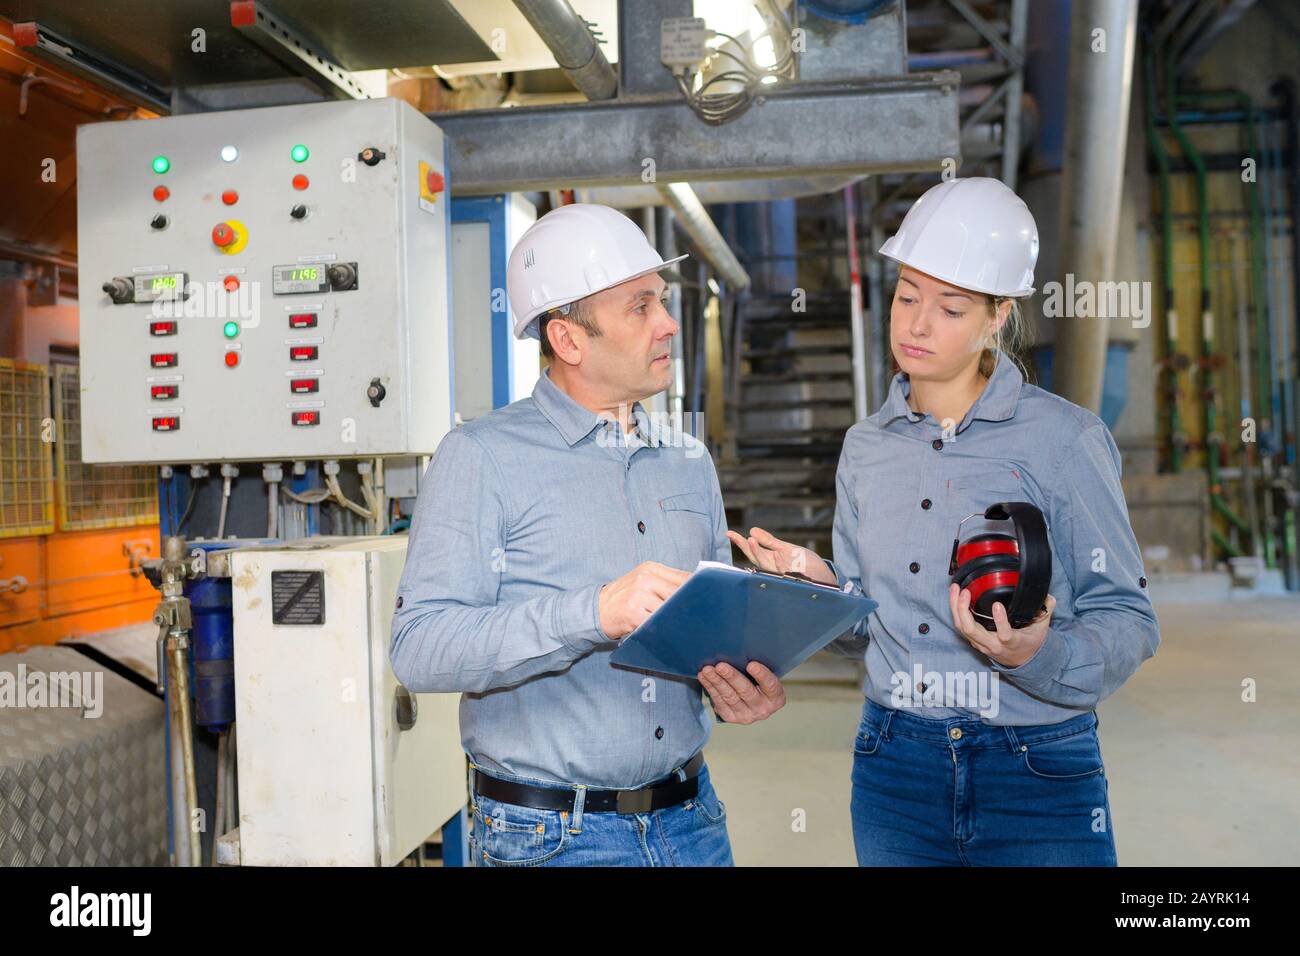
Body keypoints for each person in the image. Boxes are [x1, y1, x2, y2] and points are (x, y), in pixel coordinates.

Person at [731, 177, 1160, 866]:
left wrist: (1036, 654)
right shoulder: (867, 448)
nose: (916, 325)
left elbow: (1131, 621)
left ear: (998, 315)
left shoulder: (1063, 440)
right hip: (895, 769)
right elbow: (869, 631)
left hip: (1037, 774)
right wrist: (820, 587)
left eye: (951, 308)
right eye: (906, 297)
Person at [389, 203, 786, 867]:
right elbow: (420, 647)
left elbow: (715, 627)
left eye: (661, 300)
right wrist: (592, 613)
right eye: (639, 307)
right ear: (568, 340)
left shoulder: (688, 457)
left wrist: (743, 675)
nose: (666, 324)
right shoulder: (481, 456)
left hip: (692, 820)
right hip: (551, 839)